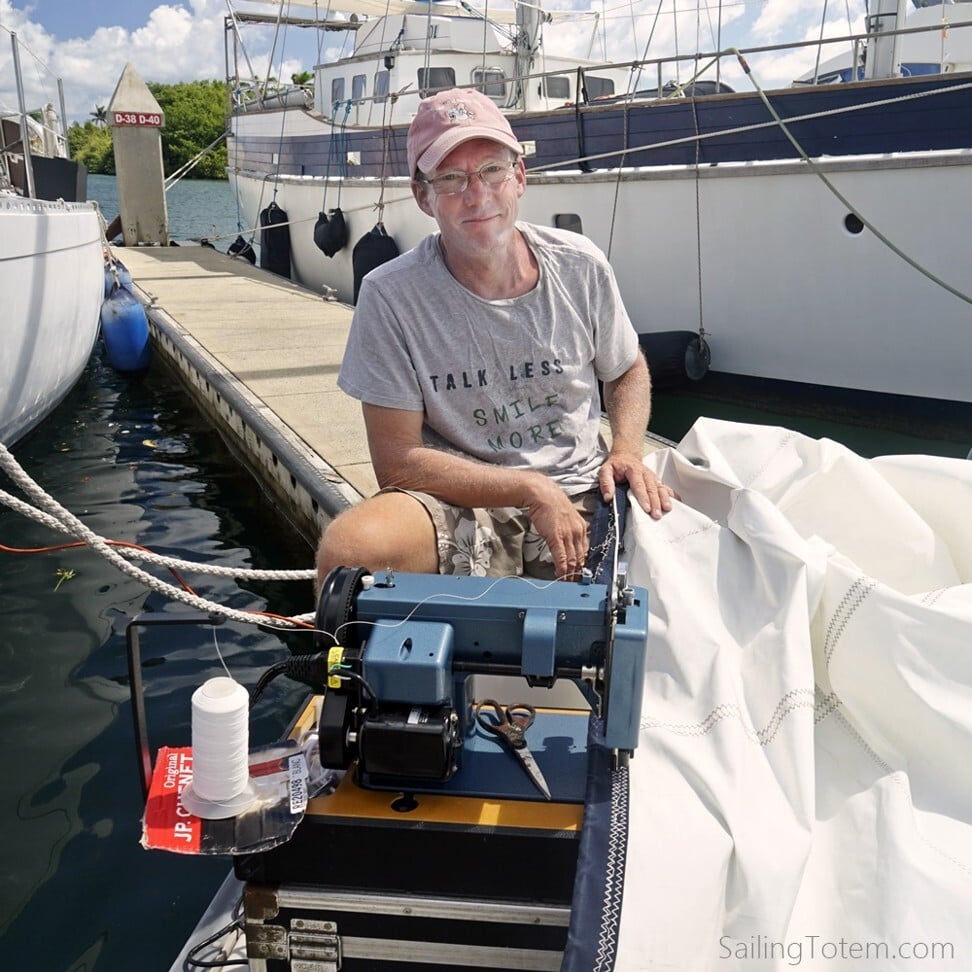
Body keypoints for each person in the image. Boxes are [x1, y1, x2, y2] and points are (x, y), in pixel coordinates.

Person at [315, 88, 674, 585]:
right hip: (465, 500)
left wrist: (626, 451)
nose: (476, 193)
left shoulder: (580, 265)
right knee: (351, 550)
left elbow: (627, 368)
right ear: (422, 195)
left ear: (519, 177)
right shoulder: (390, 295)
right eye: (451, 178)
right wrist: (528, 488)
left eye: (491, 170)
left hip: (587, 488)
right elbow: (397, 462)